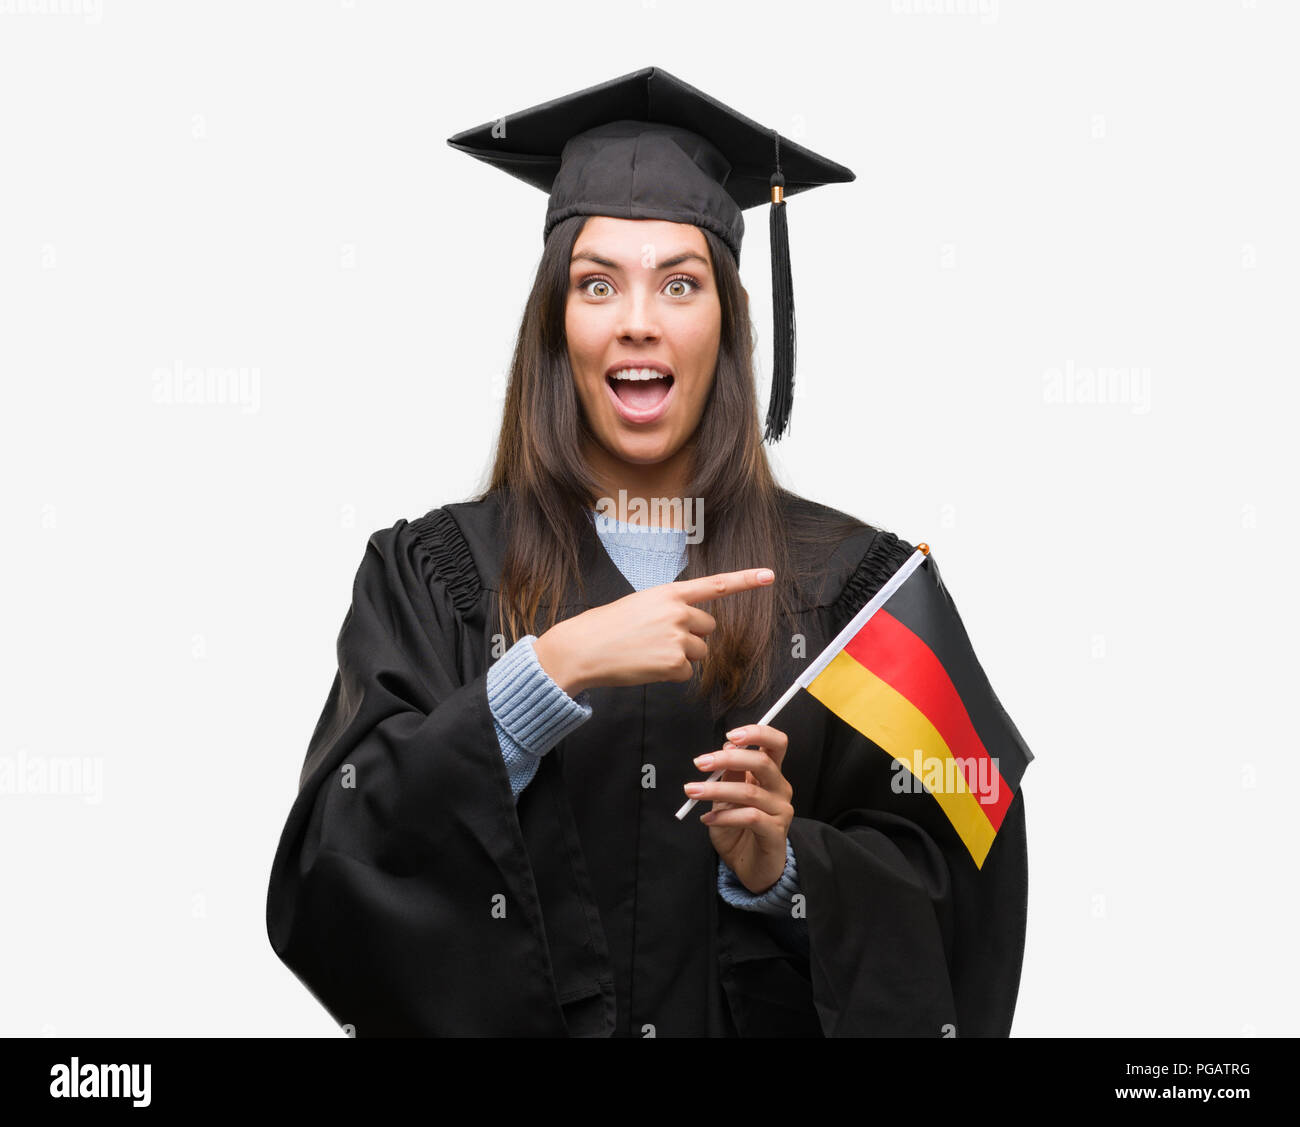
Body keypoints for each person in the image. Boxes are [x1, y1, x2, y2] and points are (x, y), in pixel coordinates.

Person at [264, 66, 1029, 1037]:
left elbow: (964, 879)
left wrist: (784, 868)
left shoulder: (852, 591)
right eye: (597, 283)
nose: (638, 317)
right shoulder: (437, 572)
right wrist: (542, 675)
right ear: (557, 324)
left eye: (679, 281)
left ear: (727, 323)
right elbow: (331, 863)